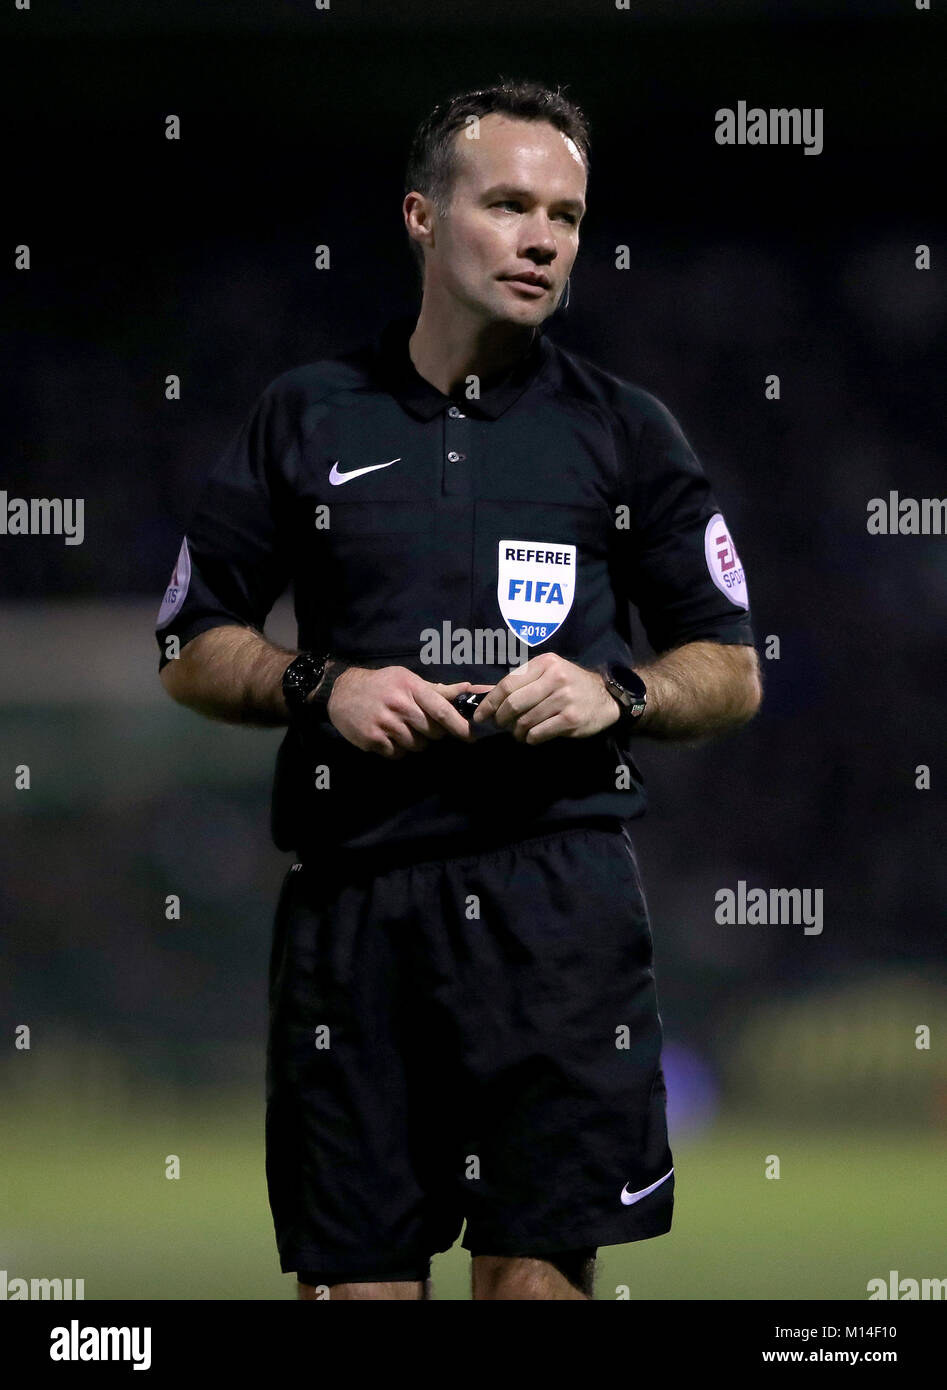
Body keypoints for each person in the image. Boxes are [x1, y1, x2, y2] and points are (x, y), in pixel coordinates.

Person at [155, 79, 762, 1301]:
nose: (542, 238)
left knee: (535, 1285)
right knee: (358, 1287)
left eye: (566, 215)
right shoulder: (307, 414)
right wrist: (317, 684)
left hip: (557, 911)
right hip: (355, 906)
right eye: (506, 204)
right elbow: (189, 640)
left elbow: (732, 667)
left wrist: (620, 696)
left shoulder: (623, 432)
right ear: (422, 217)